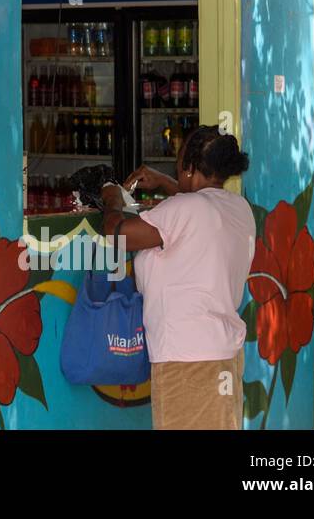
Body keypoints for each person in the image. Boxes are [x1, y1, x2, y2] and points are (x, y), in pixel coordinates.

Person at [101, 126, 255, 430]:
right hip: (223, 355)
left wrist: (112, 198)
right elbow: (199, 206)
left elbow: (116, 233)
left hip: (187, 361)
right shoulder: (238, 207)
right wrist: (167, 183)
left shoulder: (185, 209)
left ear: (190, 167)